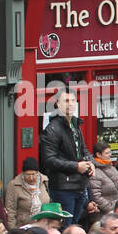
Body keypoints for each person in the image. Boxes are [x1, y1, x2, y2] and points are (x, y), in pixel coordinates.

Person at [39, 92, 96, 221]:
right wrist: (76, 166)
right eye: (66, 101)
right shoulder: (52, 129)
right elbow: (49, 160)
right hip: (63, 187)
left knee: (75, 226)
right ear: (58, 104)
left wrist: (90, 162)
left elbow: (83, 150)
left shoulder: (75, 125)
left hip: (80, 185)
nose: (70, 104)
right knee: (65, 227)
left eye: (72, 100)